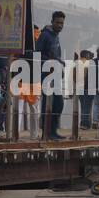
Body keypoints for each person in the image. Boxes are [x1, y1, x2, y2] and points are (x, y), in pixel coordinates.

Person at [35, 11, 65, 139]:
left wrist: (59, 63)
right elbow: (37, 54)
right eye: (57, 22)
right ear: (52, 22)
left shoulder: (56, 37)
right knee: (48, 104)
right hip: (46, 74)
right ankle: (47, 133)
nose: (60, 25)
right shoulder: (45, 35)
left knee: (58, 104)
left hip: (56, 75)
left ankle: (53, 131)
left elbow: (56, 55)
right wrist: (50, 60)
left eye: (62, 23)